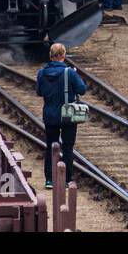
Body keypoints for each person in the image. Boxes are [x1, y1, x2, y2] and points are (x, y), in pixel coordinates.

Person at [36, 43, 86, 188]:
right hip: (67, 115)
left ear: (50, 56)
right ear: (63, 56)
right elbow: (82, 90)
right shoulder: (69, 72)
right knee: (68, 147)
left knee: (50, 146)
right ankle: (67, 179)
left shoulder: (41, 73)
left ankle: (50, 180)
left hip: (50, 115)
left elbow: (39, 92)